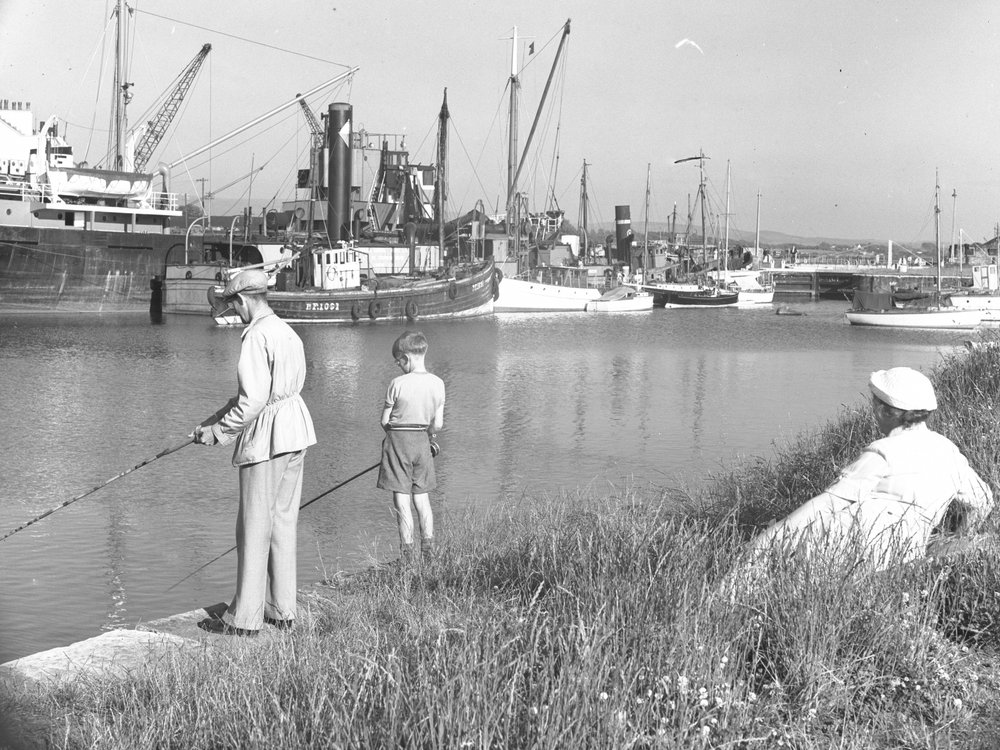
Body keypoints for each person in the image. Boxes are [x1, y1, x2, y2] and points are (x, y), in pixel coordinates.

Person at [747, 367, 993, 570]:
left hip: (847, 550)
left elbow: (828, 503)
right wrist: (955, 538)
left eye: (874, 404)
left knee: (758, 558)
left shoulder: (883, 451)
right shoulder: (946, 450)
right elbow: (982, 501)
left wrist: (772, 536)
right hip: (901, 555)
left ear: (886, 411)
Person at [193, 269, 316, 636]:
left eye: (233, 304)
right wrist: (214, 418)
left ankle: (244, 620)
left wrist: (219, 432)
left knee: (254, 526)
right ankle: (281, 610)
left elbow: (254, 402)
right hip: (296, 432)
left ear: (243, 300)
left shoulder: (256, 335)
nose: (234, 312)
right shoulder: (286, 331)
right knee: (282, 523)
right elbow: (267, 392)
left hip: (268, 439)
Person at [377, 330, 445, 564]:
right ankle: (429, 553)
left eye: (398, 361)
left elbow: (385, 421)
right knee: (422, 499)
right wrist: (427, 436)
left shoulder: (397, 384)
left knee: (402, 501)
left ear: (406, 357)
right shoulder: (438, 383)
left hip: (398, 442)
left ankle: (407, 557)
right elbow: (438, 424)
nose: (398, 366)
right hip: (423, 442)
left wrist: (395, 436)